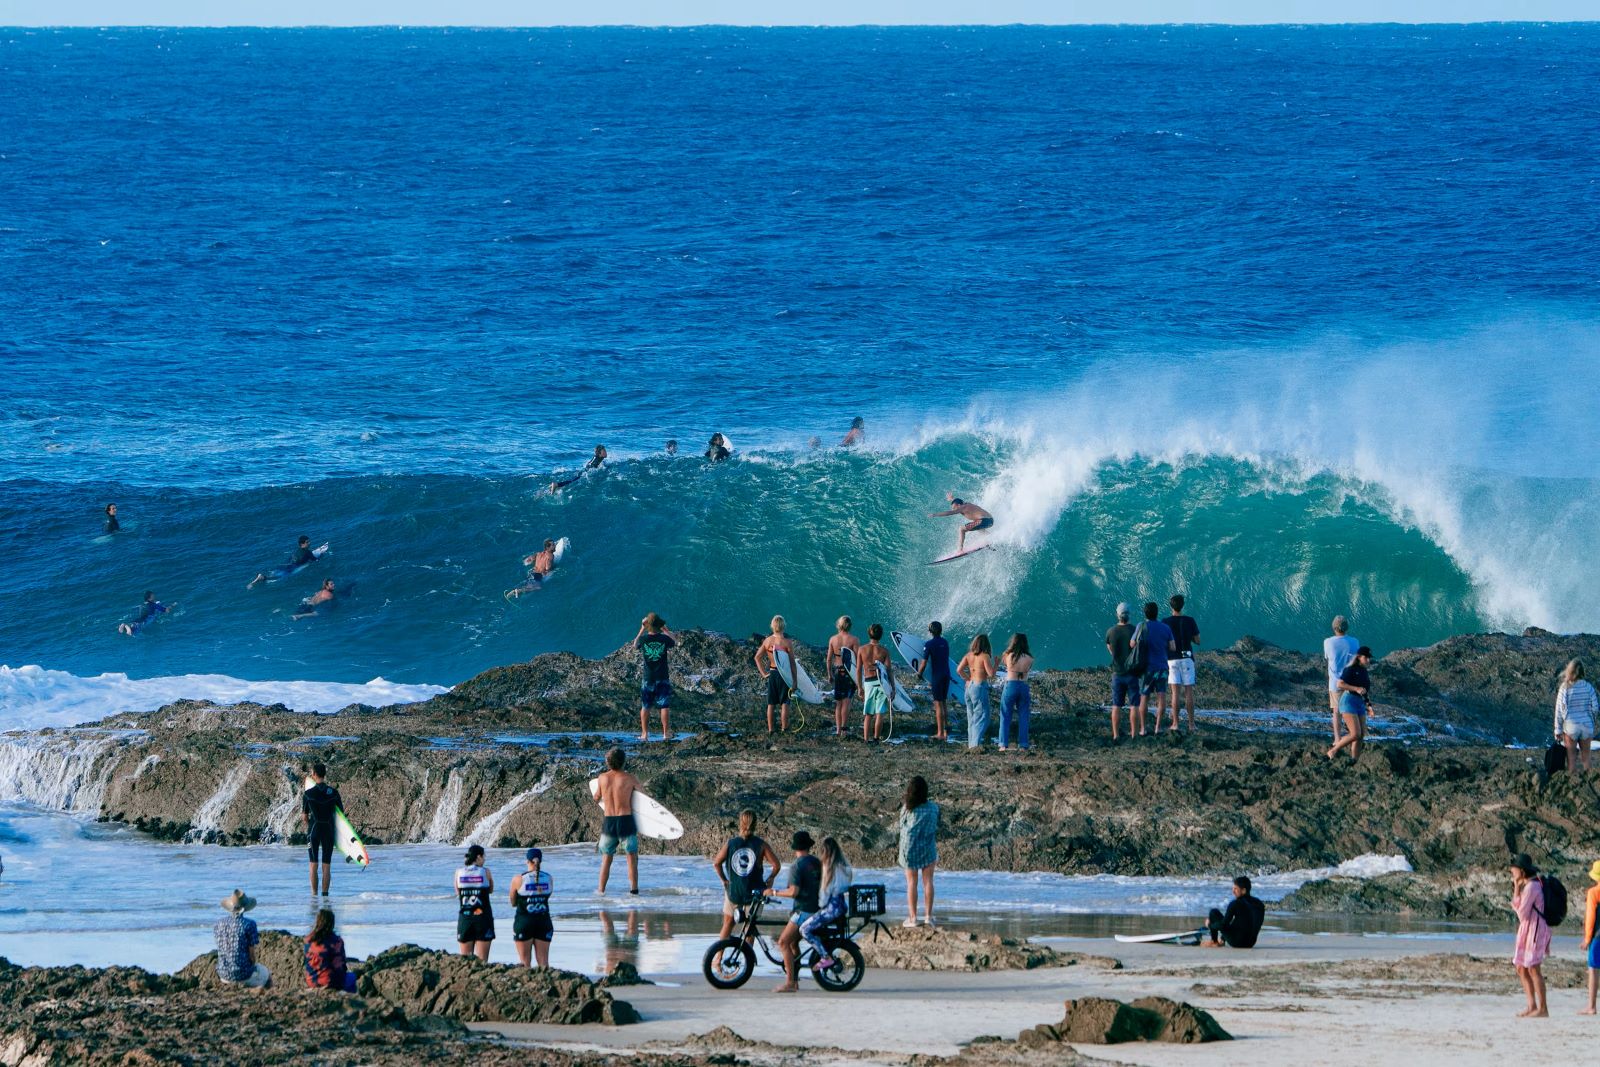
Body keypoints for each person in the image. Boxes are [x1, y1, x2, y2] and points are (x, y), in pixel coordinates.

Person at [763, 830, 821, 993]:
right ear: (808, 846)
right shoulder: (816, 862)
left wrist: (773, 892)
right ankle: (794, 980)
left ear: (795, 847)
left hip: (804, 911)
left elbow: (793, 892)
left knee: (783, 942)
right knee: (793, 943)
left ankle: (789, 982)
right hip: (817, 908)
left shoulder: (797, 866)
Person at [711, 809, 781, 939]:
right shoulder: (761, 845)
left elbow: (716, 864)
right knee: (749, 927)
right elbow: (776, 865)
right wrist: (771, 878)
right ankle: (748, 958)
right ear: (755, 824)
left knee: (728, 924)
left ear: (740, 823)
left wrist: (724, 880)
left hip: (734, 890)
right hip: (755, 893)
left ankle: (717, 957)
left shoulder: (731, 843)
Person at [798, 837, 854, 972]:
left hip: (831, 908)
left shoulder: (828, 866)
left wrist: (819, 905)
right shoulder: (844, 866)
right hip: (841, 906)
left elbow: (824, 892)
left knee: (804, 929)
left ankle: (825, 956)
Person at [595, 747, 641, 894]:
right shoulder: (630, 778)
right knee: (631, 857)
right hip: (625, 820)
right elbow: (644, 798)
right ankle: (633, 890)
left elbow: (596, 797)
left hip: (609, 821)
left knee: (606, 858)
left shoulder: (602, 778)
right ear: (623, 762)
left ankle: (601, 891)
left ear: (608, 762)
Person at [1510, 853, 1551, 1018]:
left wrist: (1517, 889)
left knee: (1533, 968)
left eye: (1513, 871)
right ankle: (1531, 1005)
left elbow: (1521, 913)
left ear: (1521, 870)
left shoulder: (1532, 887)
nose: (1512, 874)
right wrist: (1517, 888)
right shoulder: (1527, 886)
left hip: (1535, 930)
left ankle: (1543, 1009)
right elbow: (1521, 910)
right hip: (1527, 930)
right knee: (1521, 967)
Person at [898, 776, 939, 926]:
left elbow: (902, 829)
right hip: (927, 847)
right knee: (928, 881)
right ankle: (928, 916)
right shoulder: (933, 808)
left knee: (911, 883)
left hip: (909, 849)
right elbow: (935, 826)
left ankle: (913, 918)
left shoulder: (907, 808)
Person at [1134, 603, 1177, 736]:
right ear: (1157, 613)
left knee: (1144, 698)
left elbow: (1132, 643)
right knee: (1161, 696)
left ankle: (1143, 729)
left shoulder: (1141, 626)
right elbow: (1173, 647)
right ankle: (1158, 727)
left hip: (1147, 668)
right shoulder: (1165, 628)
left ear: (1145, 613)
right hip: (1162, 667)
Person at [509, 848, 554, 969]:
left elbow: (513, 902)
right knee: (544, 963)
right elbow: (547, 897)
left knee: (524, 963)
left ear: (527, 861)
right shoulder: (549, 878)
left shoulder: (518, 879)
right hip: (543, 921)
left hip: (524, 922)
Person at [1328, 646, 1375, 761]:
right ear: (1359, 657)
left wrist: (1369, 706)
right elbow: (1340, 684)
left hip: (1360, 703)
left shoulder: (1364, 671)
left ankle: (1354, 760)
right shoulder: (1351, 669)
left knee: (1362, 734)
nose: (1368, 660)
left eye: (1369, 658)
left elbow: (1364, 690)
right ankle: (1333, 750)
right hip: (1348, 701)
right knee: (1355, 734)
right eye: (1366, 657)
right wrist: (1356, 688)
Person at [302, 762, 343, 895]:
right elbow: (340, 815)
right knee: (327, 865)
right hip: (329, 830)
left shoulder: (308, 794)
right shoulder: (334, 793)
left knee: (313, 865)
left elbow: (304, 817)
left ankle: (314, 896)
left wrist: (310, 827)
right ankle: (325, 897)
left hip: (314, 830)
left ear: (314, 774)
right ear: (324, 774)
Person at [214, 889, 269, 987]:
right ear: (245, 908)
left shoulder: (219, 924)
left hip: (223, 974)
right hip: (243, 975)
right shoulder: (249, 924)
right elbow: (252, 956)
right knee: (266, 974)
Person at [755, 615, 800, 734]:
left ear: (772, 626)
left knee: (771, 704)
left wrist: (764, 674)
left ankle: (771, 730)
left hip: (773, 673)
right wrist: (795, 682)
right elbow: (792, 664)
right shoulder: (787, 642)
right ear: (783, 626)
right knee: (785, 703)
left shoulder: (768, 640)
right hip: (784, 675)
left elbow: (757, 658)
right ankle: (784, 729)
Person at [635, 613, 676, 742]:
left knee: (646, 706)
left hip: (648, 677)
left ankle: (645, 734)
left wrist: (642, 628)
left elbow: (635, 644)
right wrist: (666, 630)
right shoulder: (664, 639)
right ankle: (665, 734)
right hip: (662, 676)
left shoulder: (643, 639)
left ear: (648, 626)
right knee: (664, 705)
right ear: (659, 625)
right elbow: (674, 640)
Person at [1163, 595, 1201, 732]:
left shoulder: (1165, 621)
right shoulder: (1190, 620)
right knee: (1188, 692)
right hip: (1187, 657)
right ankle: (1191, 725)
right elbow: (1198, 641)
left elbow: (1164, 641)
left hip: (1172, 658)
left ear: (1171, 606)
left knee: (1175, 693)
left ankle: (1175, 724)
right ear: (1183, 605)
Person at [1555, 659, 1598, 774]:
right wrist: (1592, 721)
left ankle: (1573, 783)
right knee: (1586, 758)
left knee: (1571, 758)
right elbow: (1595, 707)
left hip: (1571, 726)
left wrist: (1558, 729)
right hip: (1586, 725)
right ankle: (1589, 781)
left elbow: (1559, 710)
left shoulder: (1565, 688)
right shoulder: (1589, 687)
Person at [1323, 616, 1360, 746]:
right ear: (1347, 627)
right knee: (1351, 711)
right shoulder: (1355, 642)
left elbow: (1328, 658)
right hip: (1351, 683)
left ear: (1334, 627)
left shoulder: (1328, 642)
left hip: (1335, 684)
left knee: (1337, 712)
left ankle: (1337, 739)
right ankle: (1353, 736)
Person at [454, 844, 495, 960]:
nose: (485, 859)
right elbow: (491, 890)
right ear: (478, 857)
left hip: (465, 918)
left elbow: (458, 892)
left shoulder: (459, 872)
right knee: (483, 961)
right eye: (484, 857)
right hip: (483, 918)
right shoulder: (485, 871)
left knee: (465, 961)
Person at [913, 621, 952, 742]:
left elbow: (924, 663)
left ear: (930, 631)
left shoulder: (929, 644)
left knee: (938, 704)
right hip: (946, 675)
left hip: (937, 677)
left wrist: (919, 673)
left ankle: (940, 733)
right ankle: (945, 732)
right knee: (944, 703)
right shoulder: (945, 642)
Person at [1105, 603, 1139, 739]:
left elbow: (1110, 649)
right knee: (1134, 705)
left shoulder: (1111, 631)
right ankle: (1134, 734)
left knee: (1116, 705)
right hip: (1132, 673)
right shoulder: (1134, 630)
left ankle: (1116, 735)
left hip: (1117, 673)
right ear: (1129, 615)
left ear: (1117, 615)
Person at [1202, 876, 1265, 949]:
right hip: (1251, 943)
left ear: (1243, 890)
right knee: (1238, 921)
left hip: (1237, 942)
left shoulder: (1235, 903)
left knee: (1214, 912)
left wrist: (1210, 925)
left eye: (1235, 889)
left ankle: (1214, 941)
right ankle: (1222, 940)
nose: (1233, 891)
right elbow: (1255, 924)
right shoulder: (1259, 904)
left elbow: (1223, 925)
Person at [856, 623, 894, 742]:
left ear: (869, 633)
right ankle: (876, 739)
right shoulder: (884, 651)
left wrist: (859, 687)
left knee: (868, 714)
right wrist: (893, 687)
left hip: (868, 683)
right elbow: (888, 670)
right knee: (880, 713)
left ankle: (866, 740)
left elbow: (858, 669)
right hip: (881, 683)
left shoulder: (862, 649)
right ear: (881, 635)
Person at [304, 907, 356, 991]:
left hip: (311, 981)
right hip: (330, 982)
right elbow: (341, 965)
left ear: (317, 922)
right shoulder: (337, 941)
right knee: (352, 977)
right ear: (332, 923)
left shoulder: (308, 940)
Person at [958, 634, 996, 749]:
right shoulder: (985, 656)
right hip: (979, 687)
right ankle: (975, 745)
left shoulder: (968, 655)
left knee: (972, 717)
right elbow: (991, 674)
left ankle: (971, 744)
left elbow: (959, 669)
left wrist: (968, 679)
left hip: (969, 688)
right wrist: (997, 664)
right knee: (983, 716)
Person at [825, 616, 860, 737]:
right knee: (846, 702)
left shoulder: (833, 639)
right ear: (849, 625)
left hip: (837, 672)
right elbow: (858, 660)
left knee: (838, 703)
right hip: (849, 674)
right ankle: (844, 730)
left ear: (838, 625)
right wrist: (858, 678)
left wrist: (829, 674)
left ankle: (838, 730)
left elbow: (829, 659)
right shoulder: (854, 640)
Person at [998, 633, 1034, 751]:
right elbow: (1028, 669)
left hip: (1011, 685)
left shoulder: (1008, 655)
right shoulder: (1030, 658)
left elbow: (1004, 663)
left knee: (1005, 715)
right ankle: (1023, 744)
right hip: (1023, 685)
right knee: (1023, 716)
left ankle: (1003, 744)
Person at [927, 493, 994, 554]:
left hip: (984, 521)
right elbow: (958, 502)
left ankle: (960, 550)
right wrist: (952, 499)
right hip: (989, 520)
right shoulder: (965, 504)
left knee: (961, 529)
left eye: (954, 508)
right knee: (979, 528)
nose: (954, 510)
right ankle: (992, 539)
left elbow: (949, 513)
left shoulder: (962, 507)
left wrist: (935, 514)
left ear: (959, 506)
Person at [249, 536, 319, 587]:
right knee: (279, 577)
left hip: (285, 564)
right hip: (292, 567)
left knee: (275, 574)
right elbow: (315, 560)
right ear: (302, 544)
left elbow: (292, 557)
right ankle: (263, 577)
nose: (310, 543)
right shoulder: (308, 552)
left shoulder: (297, 550)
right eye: (307, 542)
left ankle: (260, 578)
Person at [1583, 859, 1600, 1015]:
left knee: (1593, 969)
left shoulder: (1594, 892)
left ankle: (1592, 1006)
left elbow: (1591, 918)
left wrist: (1587, 939)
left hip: (1598, 937)